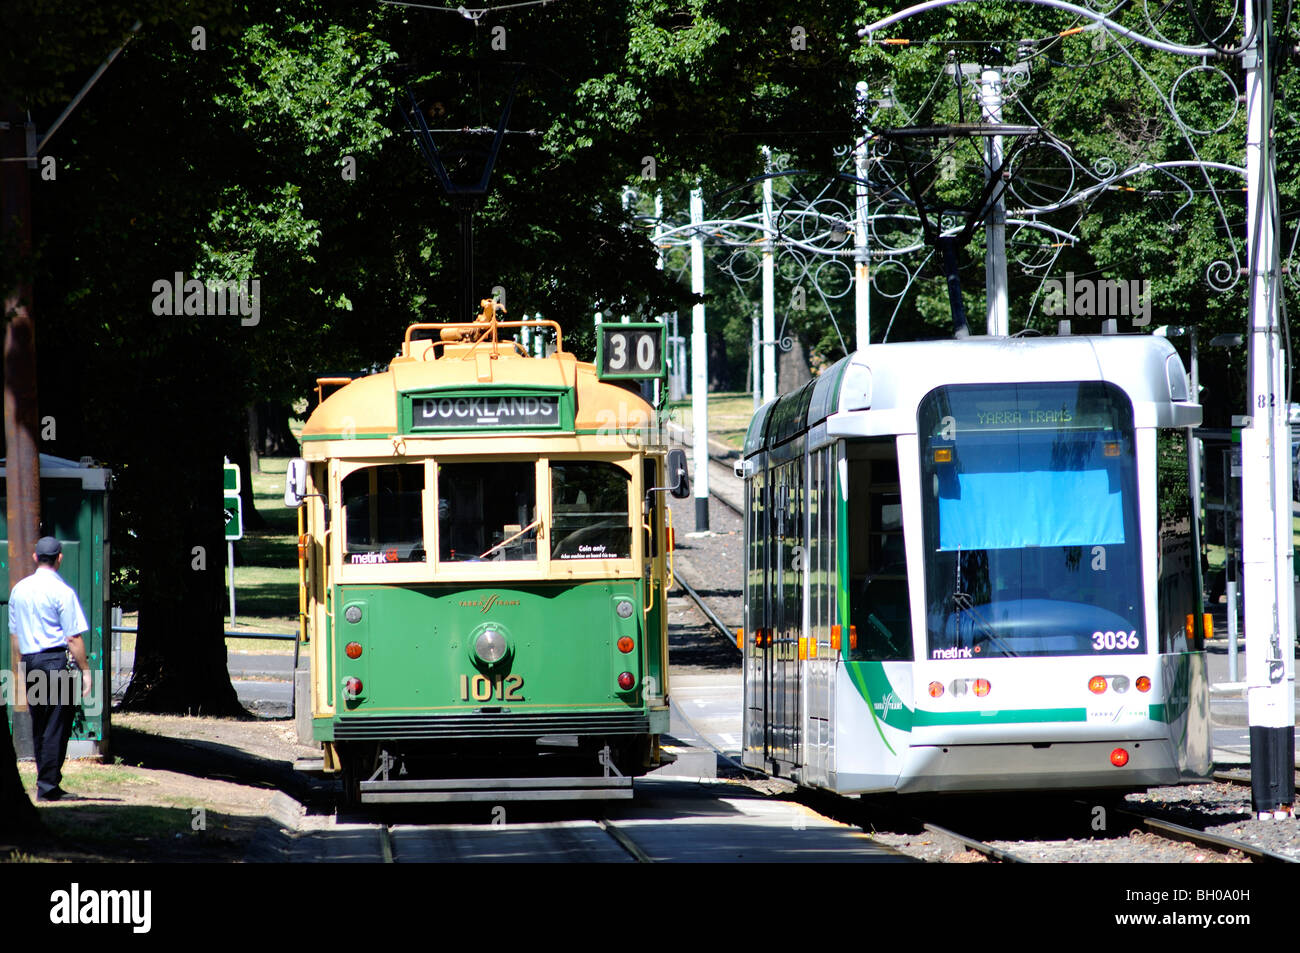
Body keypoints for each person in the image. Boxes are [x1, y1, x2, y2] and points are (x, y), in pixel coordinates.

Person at [9, 536, 90, 802]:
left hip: (30, 661)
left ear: (35, 558)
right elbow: (73, 638)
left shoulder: (18, 590)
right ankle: (48, 785)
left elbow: (16, 636)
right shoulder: (62, 592)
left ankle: (45, 781)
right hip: (55, 661)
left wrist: (21, 665)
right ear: (59, 558)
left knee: (40, 723)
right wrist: (86, 670)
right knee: (57, 725)